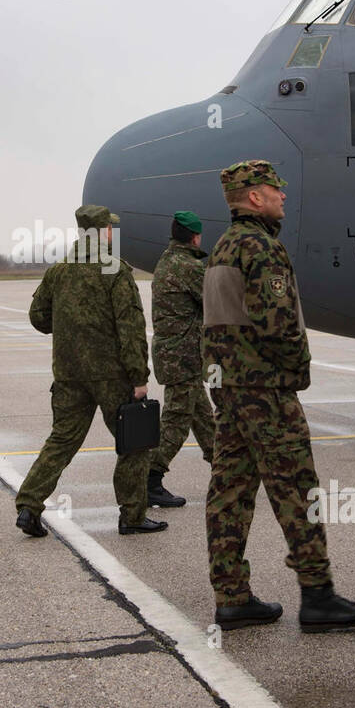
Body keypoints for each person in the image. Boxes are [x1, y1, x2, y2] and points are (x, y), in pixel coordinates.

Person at [202, 162, 355, 632]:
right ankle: (317, 596)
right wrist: (296, 371)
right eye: (276, 190)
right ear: (255, 197)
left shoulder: (221, 248)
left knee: (229, 492)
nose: (283, 197)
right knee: (296, 489)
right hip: (265, 392)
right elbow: (278, 326)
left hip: (229, 389)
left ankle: (231, 596)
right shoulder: (261, 248)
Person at [15, 205, 167, 537]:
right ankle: (132, 515)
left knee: (62, 440)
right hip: (111, 375)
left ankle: (29, 505)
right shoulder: (115, 270)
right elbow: (130, 328)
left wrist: (71, 326)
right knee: (136, 444)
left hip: (69, 374)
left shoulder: (59, 271)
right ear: (103, 233)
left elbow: (38, 318)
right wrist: (139, 378)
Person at [148, 210, 215, 508]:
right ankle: (150, 478)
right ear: (195, 236)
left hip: (174, 353)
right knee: (177, 419)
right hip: (183, 356)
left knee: (203, 417)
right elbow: (216, 300)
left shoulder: (167, 260)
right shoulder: (188, 266)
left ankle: (227, 472)